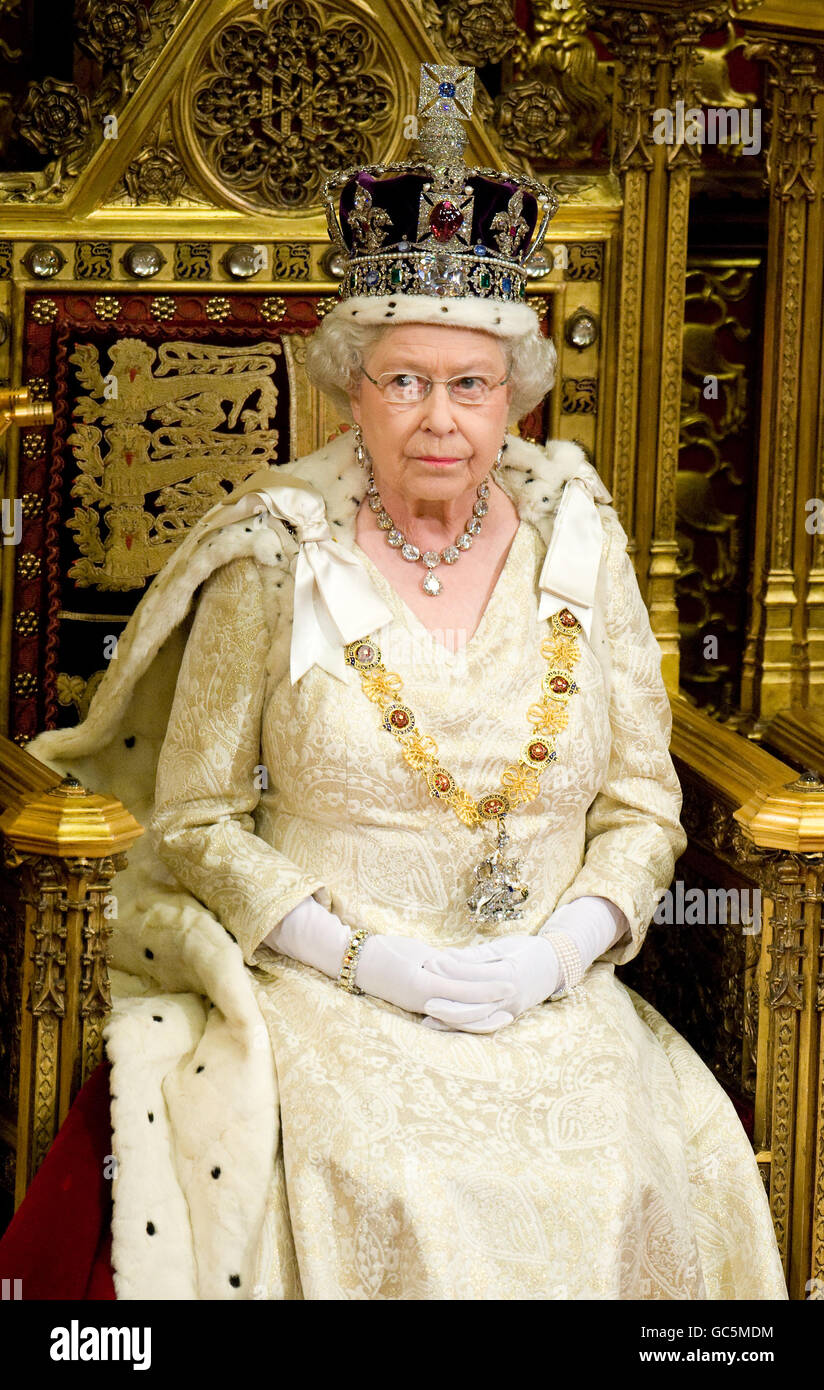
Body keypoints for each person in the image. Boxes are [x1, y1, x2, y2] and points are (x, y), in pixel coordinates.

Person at [18, 62, 788, 1300]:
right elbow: (201, 816)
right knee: (390, 1181)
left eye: (470, 384)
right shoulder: (272, 559)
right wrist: (371, 962)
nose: (440, 418)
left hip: (550, 994)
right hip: (335, 990)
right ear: (349, 388)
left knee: (629, 1169)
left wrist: (556, 955)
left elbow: (643, 806)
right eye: (406, 380)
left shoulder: (579, 552)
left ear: (514, 398)